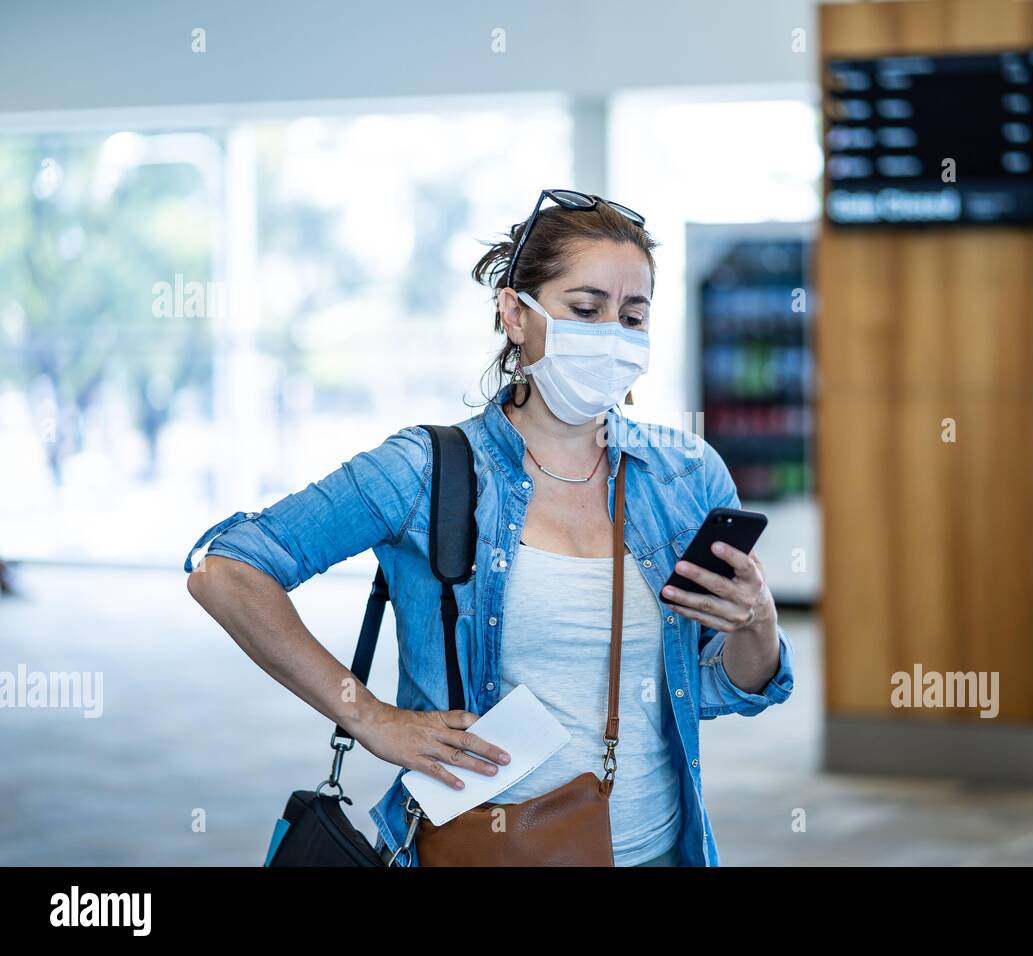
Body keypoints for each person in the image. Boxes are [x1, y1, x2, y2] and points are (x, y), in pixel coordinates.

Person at [184, 189, 795, 867]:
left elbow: (715, 690)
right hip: (481, 852)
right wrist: (369, 717)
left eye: (633, 316)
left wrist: (756, 624)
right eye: (585, 310)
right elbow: (227, 572)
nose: (611, 337)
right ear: (515, 313)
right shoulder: (426, 469)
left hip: (657, 850)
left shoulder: (684, 475)